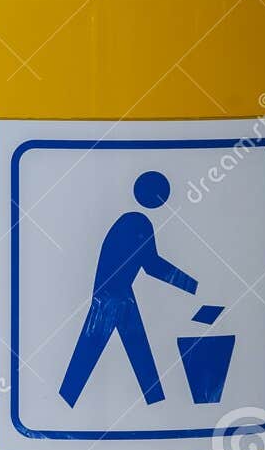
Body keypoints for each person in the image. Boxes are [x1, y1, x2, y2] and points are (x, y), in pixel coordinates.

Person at [59, 170, 197, 407]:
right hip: (111, 296)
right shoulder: (137, 222)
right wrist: (192, 285)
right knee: (96, 349)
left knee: (134, 349)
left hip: (118, 294)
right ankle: (64, 402)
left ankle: (156, 404)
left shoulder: (130, 221)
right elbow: (152, 265)